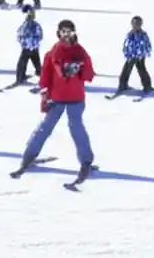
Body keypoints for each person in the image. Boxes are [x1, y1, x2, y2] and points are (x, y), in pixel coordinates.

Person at [11, 19, 95, 183]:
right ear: (59, 33)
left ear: (74, 32)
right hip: (56, 98)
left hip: (75, 98)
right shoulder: (53, 53)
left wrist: (80, 68)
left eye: (69, 31)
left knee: (76, 128)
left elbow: (89, 75)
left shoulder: (80, 52)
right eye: (63, 31)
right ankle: (29, 155)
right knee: (45, 127)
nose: (66, 34)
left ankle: (86, 160)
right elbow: (45, 77)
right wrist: (44, 94)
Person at [115, 15, 154, 94]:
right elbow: (126, 44)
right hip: (131, 56)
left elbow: (147, 44)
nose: (135, 26)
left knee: (142, 70)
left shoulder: (143, 34)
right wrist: (127, 53)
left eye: (137, 24)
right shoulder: (130, 34)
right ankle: (123, 84)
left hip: (140, 56)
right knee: (126, 70)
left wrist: (144, 52)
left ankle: (147, 86)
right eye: (134, 24)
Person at [14, 5, 43, 84]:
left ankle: (20, 77)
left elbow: (21, 34)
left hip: (27, 48)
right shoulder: (35, 24)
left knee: (22, 63)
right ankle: (41, 74)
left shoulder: (27, 24)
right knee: (36, 62)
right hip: (33, 47)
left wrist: (24, 42)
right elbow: (40, 35)